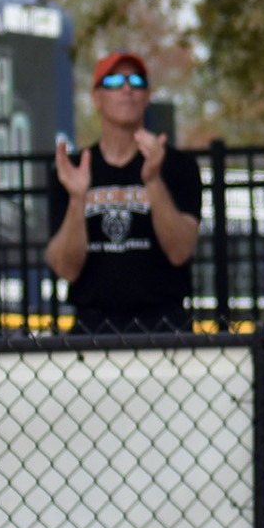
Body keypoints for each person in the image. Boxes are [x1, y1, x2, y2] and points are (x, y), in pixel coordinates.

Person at [46, 51, 202, 333]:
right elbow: (65, 268)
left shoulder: (178, 166)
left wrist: (153, 181)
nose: (128, 88)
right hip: (94, 327)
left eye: (137, 81)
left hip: (164, 325)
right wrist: (77, 199)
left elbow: (180, 251)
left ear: (147, 95)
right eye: (115, 80)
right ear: (96, 97)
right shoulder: (73, 170)